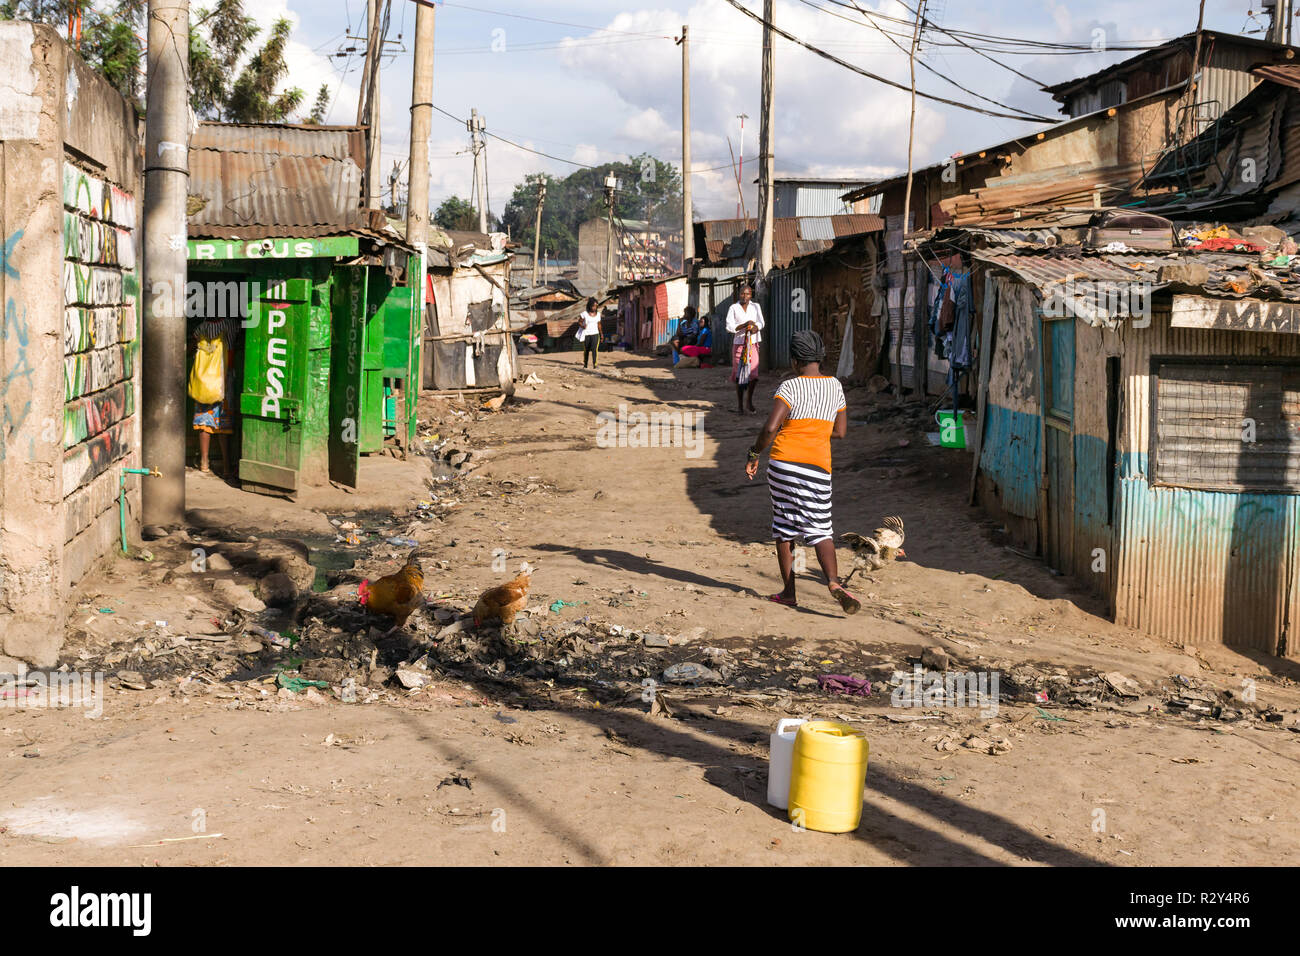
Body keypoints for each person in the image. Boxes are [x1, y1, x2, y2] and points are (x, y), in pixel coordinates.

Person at [745, 329, 860, 615]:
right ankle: (833, 583)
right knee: (821, 528)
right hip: (818, 466)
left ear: (795, 361)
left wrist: (754, 453)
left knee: (785, 528)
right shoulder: (835, 387)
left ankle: (789, 592)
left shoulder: (790, 387)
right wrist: (815, 433)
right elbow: (841, 432)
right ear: (820, 357)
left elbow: (771, 428)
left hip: (784, 463)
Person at [190, 315, 241, 477]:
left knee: (203, 421)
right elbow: (234, 347)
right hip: (222, 382)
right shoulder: (231, 325)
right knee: (222, 424)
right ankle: (226, 466)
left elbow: (193, 345)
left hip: (203, 383)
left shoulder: (201, 328)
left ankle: (204, 462)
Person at [726, 284, 764, 414]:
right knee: (739, 375)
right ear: (739, 294)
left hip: (753, 344)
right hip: (739, 344)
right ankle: (740, 405)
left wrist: (755, 328)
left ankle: (749, 401)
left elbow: (761, 322)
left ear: (751, 295)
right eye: (742, 293)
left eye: (747, 294)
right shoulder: (734, 308)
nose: (745, 296)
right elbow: (729, 326)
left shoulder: (756, 306)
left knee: (753, 374)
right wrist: (744, 325)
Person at [577, 297, 602, 368]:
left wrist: (601, 334)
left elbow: (599, 325)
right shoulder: (584, 314)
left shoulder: (598, 314)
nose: (594, 307)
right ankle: (585, 364)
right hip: (586, 334)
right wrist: (583, 326)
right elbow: (579, 322)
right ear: (589, 306)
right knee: (586, 350)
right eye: (593, 306)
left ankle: (595, 364)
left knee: (595, 350)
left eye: (596, 306)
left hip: (595, 334)